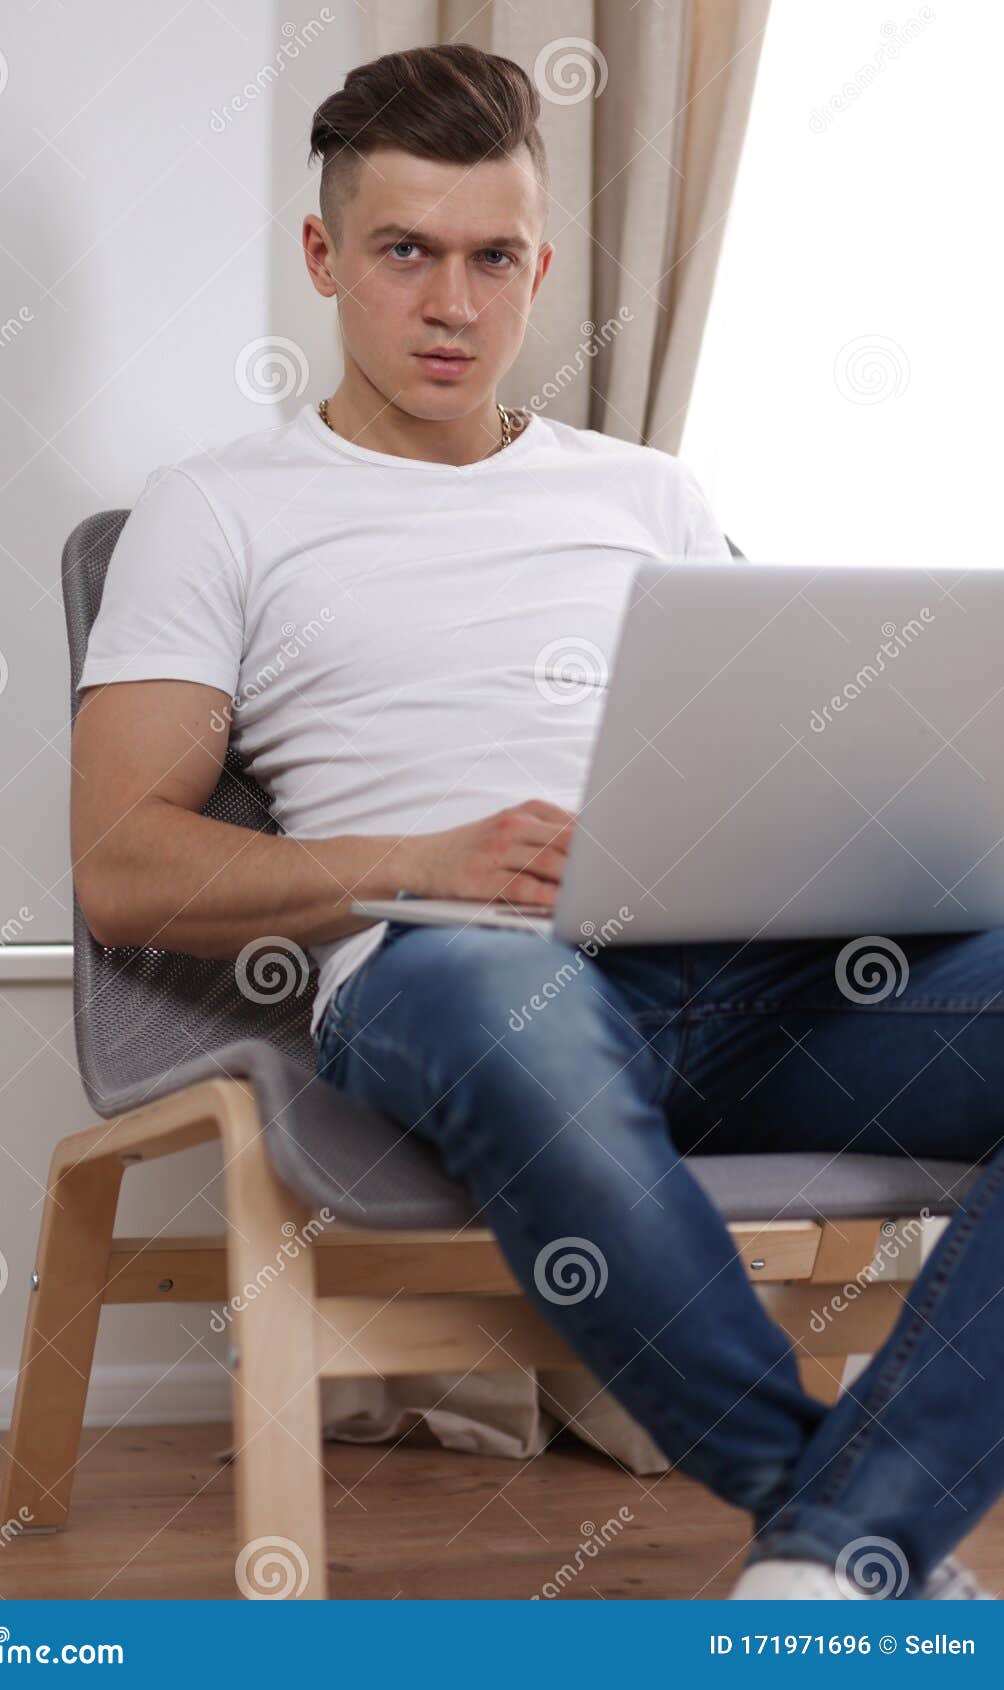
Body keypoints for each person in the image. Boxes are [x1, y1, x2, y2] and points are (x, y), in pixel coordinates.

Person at [72, 43, 1002, 1601]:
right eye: (406, 253)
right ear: (325, 258)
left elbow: (763, 743)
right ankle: (843, 1527)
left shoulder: (649, 493)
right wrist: (418, 866)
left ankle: (839, 1544)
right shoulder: (215, 506)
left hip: (754, 979)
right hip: (464, 975)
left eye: (492, 257)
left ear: (541, 266)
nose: (452, 303)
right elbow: (122, 869)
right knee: (511, 997)